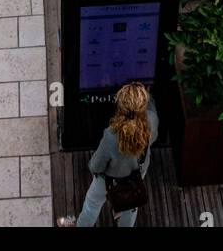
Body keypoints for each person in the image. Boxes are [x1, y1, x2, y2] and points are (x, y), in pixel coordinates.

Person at [60, 83, 158, 229]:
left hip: (109, 180)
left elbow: (97, 165)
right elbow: (153, 139)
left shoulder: (112, 135)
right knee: (131, 206)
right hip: (137, 175)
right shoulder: (152, 119)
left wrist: (93, 169)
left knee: (92, 203)